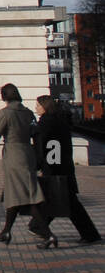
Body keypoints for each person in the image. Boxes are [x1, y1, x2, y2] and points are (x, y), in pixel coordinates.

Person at [0, 83, 54, 248]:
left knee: (26, 196)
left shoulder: (5, 113)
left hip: (13, 156)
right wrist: (39, 157)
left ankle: (48, 235)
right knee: (17, 194)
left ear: (4, 96)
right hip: (28, 154)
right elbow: (37, 135)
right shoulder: (28, 113)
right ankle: (6, 231)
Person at [34, 95, 99, 244]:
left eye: (38, 105)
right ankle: (38, 226)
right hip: (64, 166)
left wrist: (42, 166)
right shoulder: (59, 121)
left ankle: (38, 226)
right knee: (63, 199)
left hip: (55, 167)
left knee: (64, 200)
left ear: (45, 106)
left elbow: (43, 147)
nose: (36, 108)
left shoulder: (46, 123)